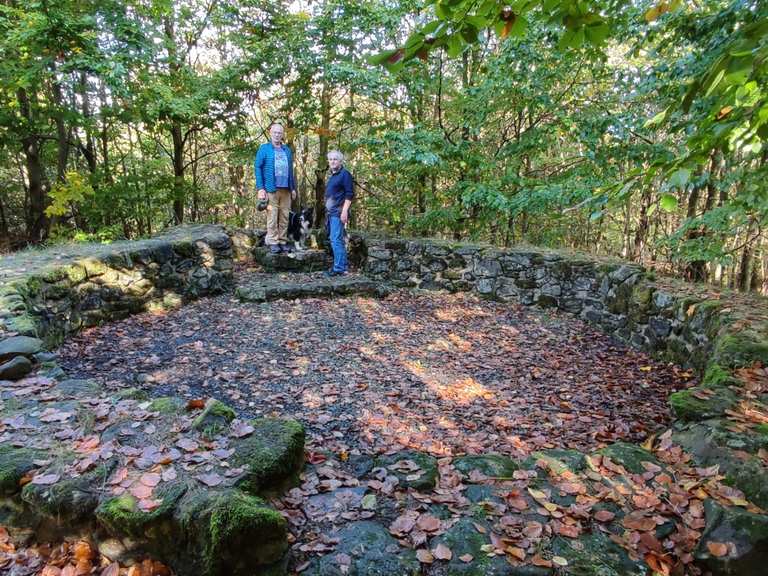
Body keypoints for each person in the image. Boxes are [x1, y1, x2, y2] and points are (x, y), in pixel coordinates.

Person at [254, 123, 297, 253]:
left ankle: (282, 240)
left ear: (282, 134)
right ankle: (272, 241)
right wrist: (260, 188)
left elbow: (291, 171)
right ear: (270, 133)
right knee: (272, 215)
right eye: (275, 132)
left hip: (286, 189)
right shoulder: (264, 149)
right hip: (271, 188)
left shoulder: (287, 150)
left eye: (280, 132)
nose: (278, 135)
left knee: (284, 216)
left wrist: (293, 188)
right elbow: (257, 167)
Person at [324, 150, 354, 276]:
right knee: (336, 240)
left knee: (336, 240)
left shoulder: (345, 174)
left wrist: (344, 211)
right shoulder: (333, 175)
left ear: (340, 161)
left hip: (338, 212)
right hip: (331, 213)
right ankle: (341, 266)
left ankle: (339, 268)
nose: (332, 161)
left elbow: (349, 195)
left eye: (335, 159)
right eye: (330, 159)